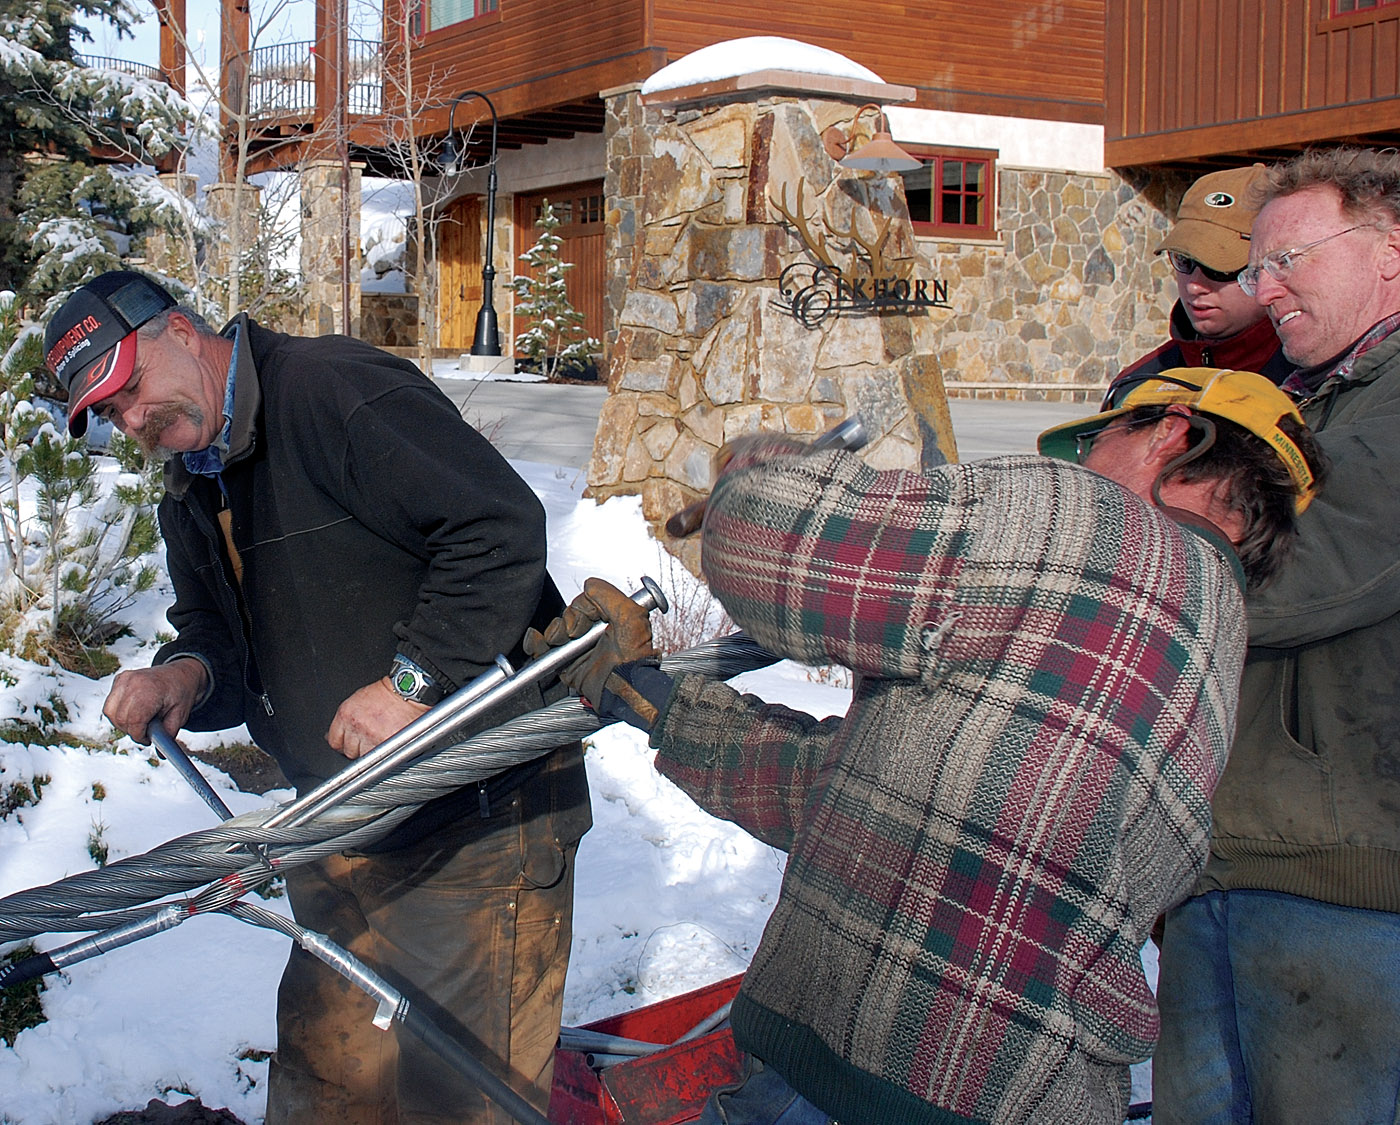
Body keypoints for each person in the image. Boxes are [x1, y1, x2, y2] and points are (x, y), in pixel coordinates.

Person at [528, 368, 1325, 1125]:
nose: (1084, 462)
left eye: (1099, 439)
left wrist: (759, 469)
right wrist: (656, 702)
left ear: (1171, 433)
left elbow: (768, 547)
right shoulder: (1217, 658)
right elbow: (867, 796)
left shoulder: (1079, 520)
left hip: (862, 1073)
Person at [43, 270, 591, 1124]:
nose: (131, 421)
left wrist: (411, 682)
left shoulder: (333, 392)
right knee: (326, 1088)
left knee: (455, 1101)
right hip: (338, 829)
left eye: (129, 389)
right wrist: (184, 673)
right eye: (109, 415)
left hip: (472, 826)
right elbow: (216, 632)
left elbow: (498, 529)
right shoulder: (194, 481)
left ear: (181, 332)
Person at [1152, 147, 1400, 1125]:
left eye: (1286, 257)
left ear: (1387, 249)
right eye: (1254, 267)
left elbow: (1294, 569)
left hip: (1340, 887)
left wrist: (1112, 547)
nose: (1263, 287)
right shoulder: (1304, 398)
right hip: (1231, 862)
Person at [1106, 164, 1291, 401]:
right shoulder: (1136, 389)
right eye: (1184, 259)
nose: (1195, 285)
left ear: (1277, 264)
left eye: (1218, 266)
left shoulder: (1321, 386)